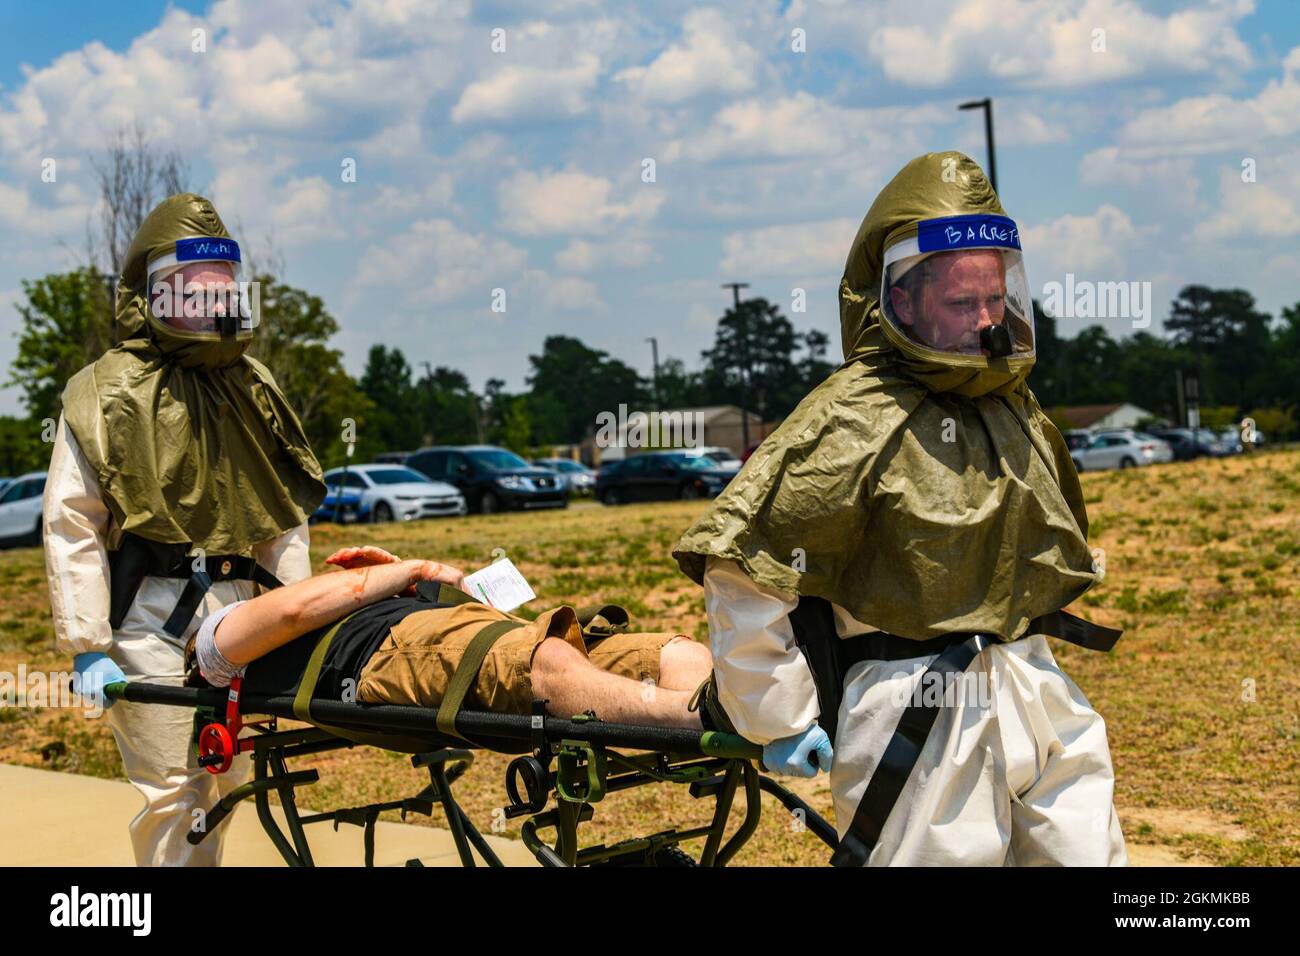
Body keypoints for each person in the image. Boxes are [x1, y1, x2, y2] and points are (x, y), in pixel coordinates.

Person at [675, 151, 1127, 866]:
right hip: (916, 714)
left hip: (1033, 685)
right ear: (902, 300)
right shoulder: (852, 417)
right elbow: (745, 569)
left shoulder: (1011, 405)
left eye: (995, 298)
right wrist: (779, 718)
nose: (987, 322)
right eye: (961, 304)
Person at [44, 193, 326, 866]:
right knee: (174, 788)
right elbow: (71, 523)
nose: (212, 302)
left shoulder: (251, 386)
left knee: (226, 780)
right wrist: (88, 644)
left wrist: (297, 619)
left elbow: (283, 519)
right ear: (153, 293)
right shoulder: (104, 391)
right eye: (193, 289)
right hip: (150, 618)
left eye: (222, 287)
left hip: (242, 613)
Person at [188, 545, 712, 732]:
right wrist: (412, 568)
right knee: (544, 660)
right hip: (391, 654)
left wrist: (396, 578)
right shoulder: (217, 638)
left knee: (670, 652)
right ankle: (706, 719)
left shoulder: (350, 598)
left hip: (451, 633)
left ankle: (743, 712)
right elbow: (297, 607)